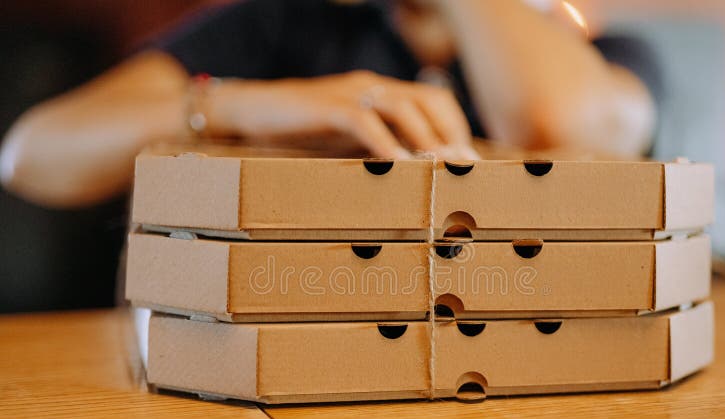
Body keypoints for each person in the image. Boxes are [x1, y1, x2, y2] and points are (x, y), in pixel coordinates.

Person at [0, 0, 657, 208]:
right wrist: (238, 107)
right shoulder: (286, 23)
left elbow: (555, 124)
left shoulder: (603, 52)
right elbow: (32, 152)